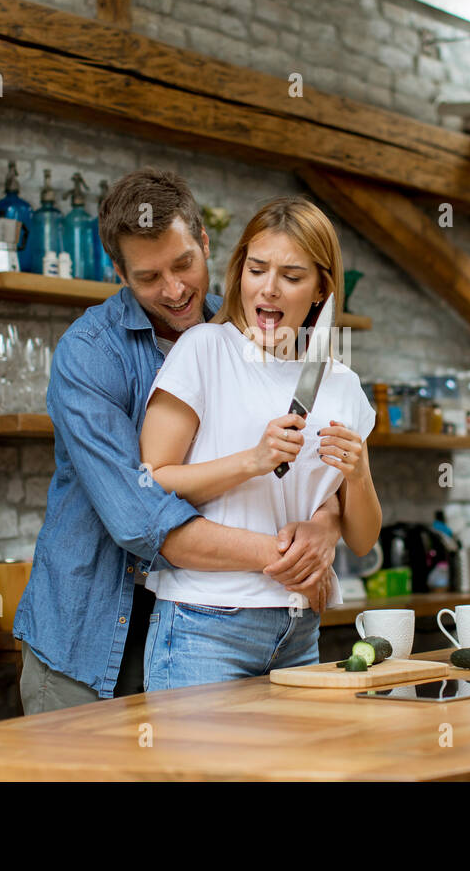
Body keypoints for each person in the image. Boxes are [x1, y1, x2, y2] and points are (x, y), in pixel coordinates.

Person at [13, 170, 344, 714]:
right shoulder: (89, 356)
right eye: (147, 277)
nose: (174, 289)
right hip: (87, 640)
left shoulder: (251, 331)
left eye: (184, 264)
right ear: (117, 272)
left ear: (205, 242)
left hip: (206, 631)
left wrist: (325, 527)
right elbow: (141, 516)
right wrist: (288, 561)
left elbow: (311, 459)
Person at [139, 196, 382, 690]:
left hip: (299, 630)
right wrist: (253, 459)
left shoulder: (340, 384)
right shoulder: (205, 350)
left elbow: (362, 538)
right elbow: (153, 480)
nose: (268, 289)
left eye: (292, 277)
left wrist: (355, 480)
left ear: (320, 289)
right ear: (239, 271)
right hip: (204, 626)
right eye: (256, 269)